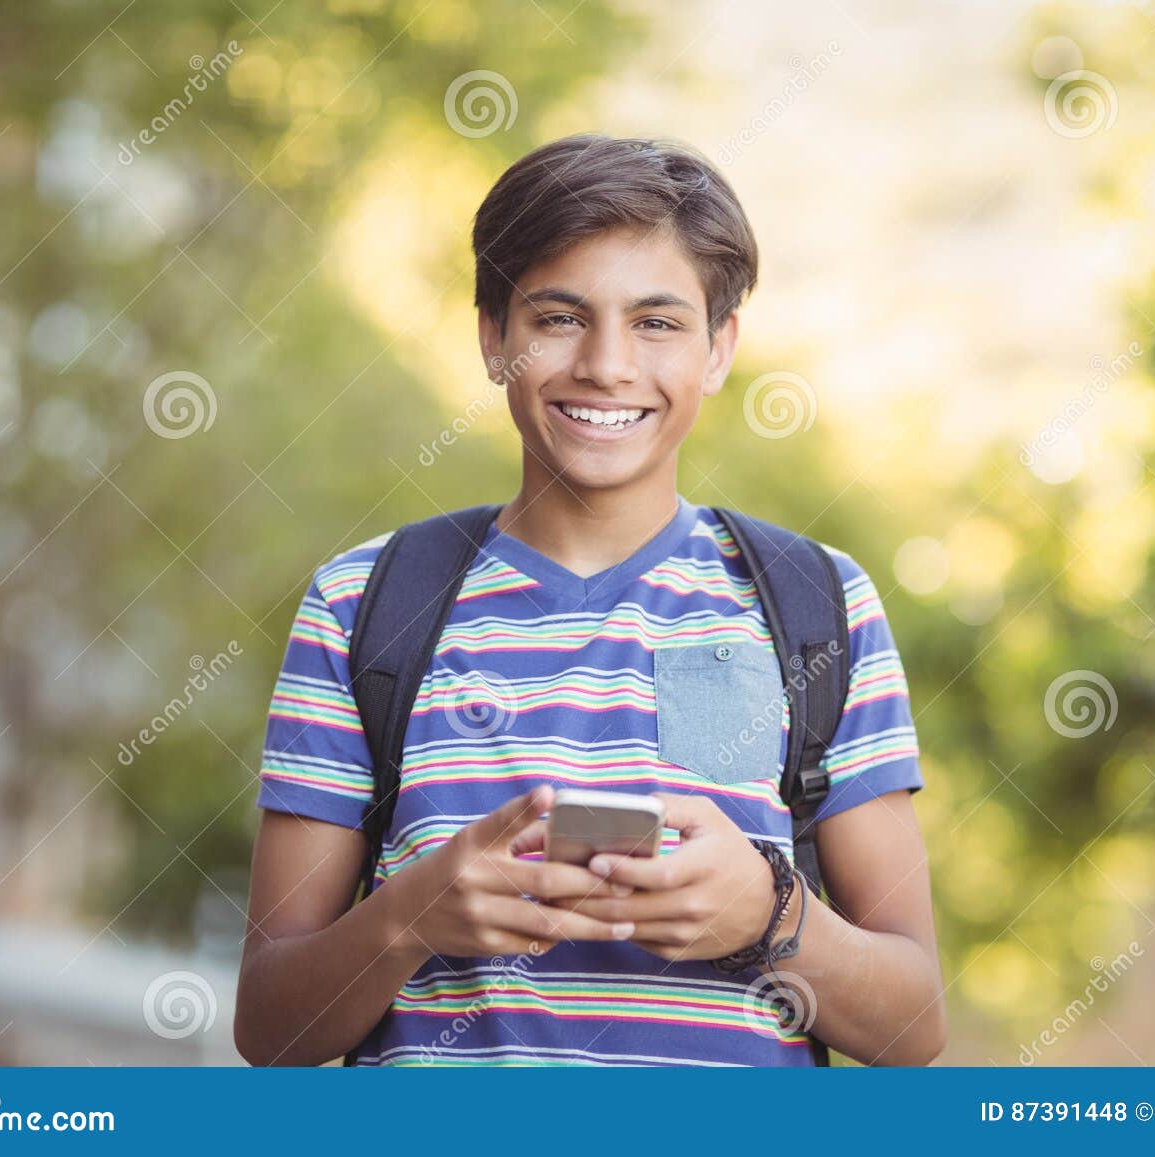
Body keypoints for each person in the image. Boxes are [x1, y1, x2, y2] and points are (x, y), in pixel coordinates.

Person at [233, 134, 945, 1067]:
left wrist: (769, 914)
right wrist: (413, 914)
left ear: (719, 348)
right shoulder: (365, 603)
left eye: (657, 322)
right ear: (494, 338)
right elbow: (269, 1029)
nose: (607, 365)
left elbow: (914, 1028)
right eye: (559, 317)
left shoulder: (820, 606)